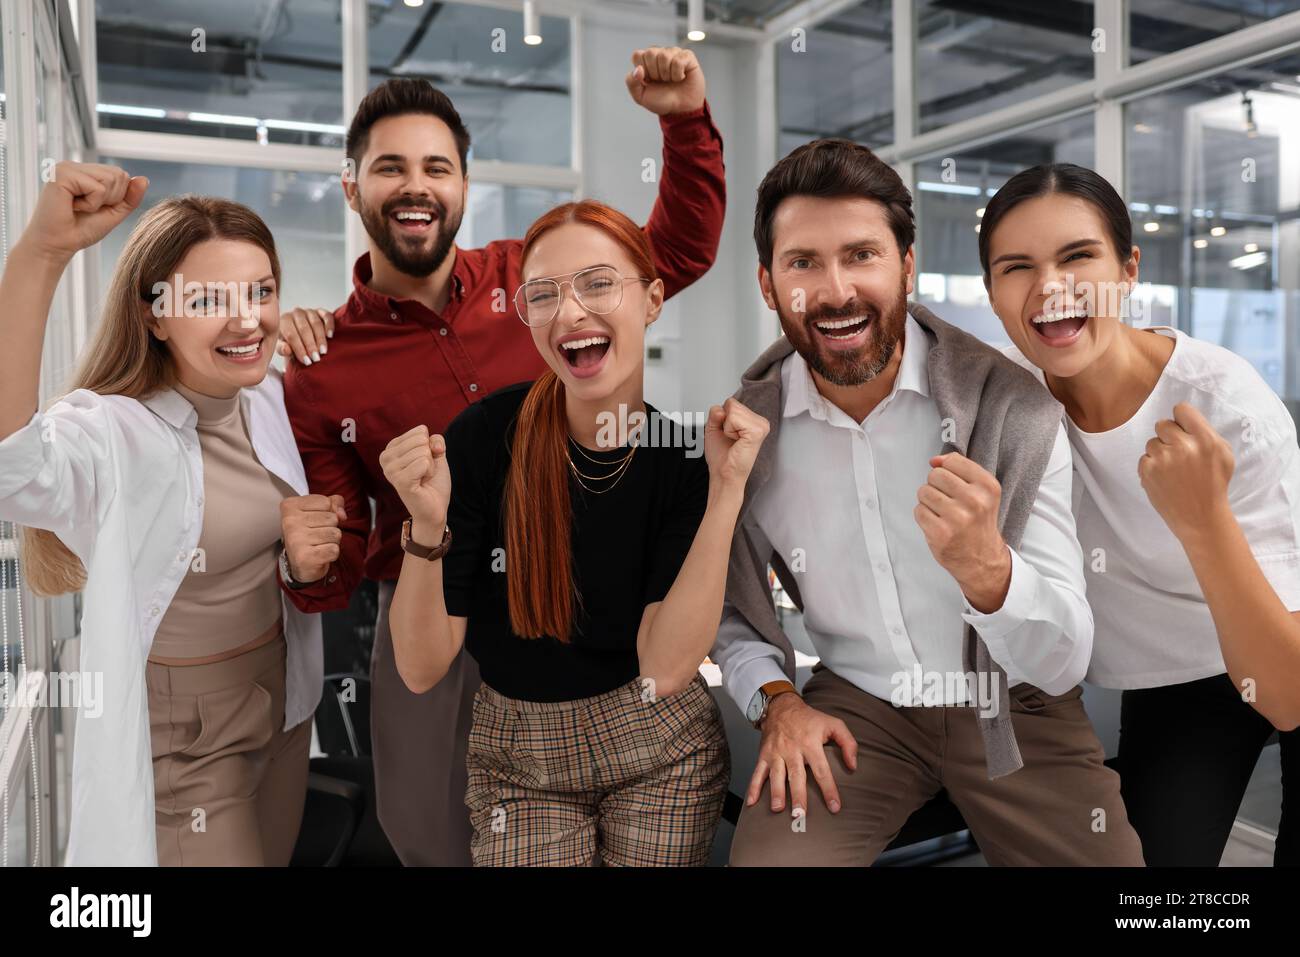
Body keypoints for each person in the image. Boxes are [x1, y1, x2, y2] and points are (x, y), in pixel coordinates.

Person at [276, 48, 727, 865]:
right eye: (389, 168)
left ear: (462, 186)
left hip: (583, 587)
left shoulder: (535, 277)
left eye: (436, 167)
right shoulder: (324, 361)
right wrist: (306, 564)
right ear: (351, 187)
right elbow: (340, 555)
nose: (416, 185)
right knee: (435, 834)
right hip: (432, 595)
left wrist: (684, 121)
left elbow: (678, 251)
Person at [715, 138, 1145, 866]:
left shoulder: (1009, 406)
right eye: (803, 263)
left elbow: (1064, 658)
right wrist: (779, 700)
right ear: (767, 283)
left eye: (861, 255)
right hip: (857, 707)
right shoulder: (745, 431)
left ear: (906, 266)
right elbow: (730, 610)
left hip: (1018, 703)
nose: (836, 289)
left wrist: (988, 570)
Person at [376, 199, 764, 865]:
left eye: (598, 282)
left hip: (660, 749)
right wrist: (425, 523)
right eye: (545, 293)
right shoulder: (482, 438)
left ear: (652, 299)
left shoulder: (681, 458)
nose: (570, 312)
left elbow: (666, 665)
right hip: (517, 757)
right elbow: (422, 663)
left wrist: (727, 492)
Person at [0, 162, 322, 865]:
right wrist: (41, 255)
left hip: (282, 704)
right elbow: (9, 466)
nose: (248, 318)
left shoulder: (269, 397)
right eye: (210, 298)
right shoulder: (118, 432)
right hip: (187, 741)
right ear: (155, 313)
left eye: (261, 291)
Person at [981, 162, 1300, 866]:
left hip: (1280, 648)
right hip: (1171, 676)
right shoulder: (1001, 395)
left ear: (1128, 270)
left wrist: (1203, 518)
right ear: (993, 294)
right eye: (1018, 266)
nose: (1050, 286)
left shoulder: (1223, 405)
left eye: (1078, 256)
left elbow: (1286, 693)